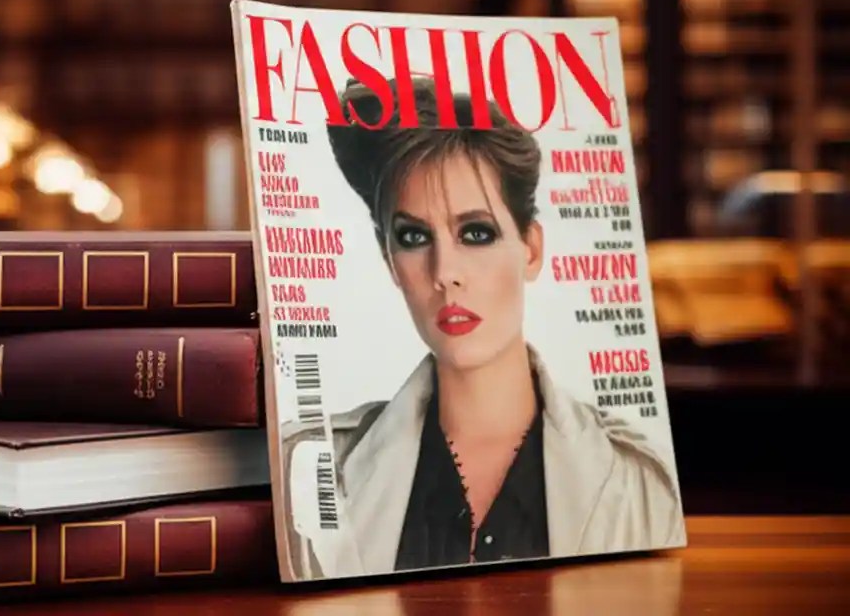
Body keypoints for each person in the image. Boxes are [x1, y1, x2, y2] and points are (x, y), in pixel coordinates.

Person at [282, 76, 685, 579]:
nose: (445, 272)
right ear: (390, 263)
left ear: (531, 249)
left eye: (476, 233)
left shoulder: (638, 483)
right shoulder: (314, 470)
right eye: (413, 237)